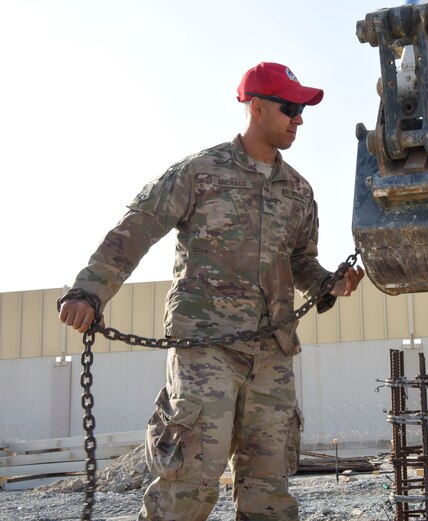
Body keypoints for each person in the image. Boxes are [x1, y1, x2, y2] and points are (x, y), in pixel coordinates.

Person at [58, 61, 365, 521]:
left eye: (302, 110)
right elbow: (136, 229)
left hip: (272, 353)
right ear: (256, 107)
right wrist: (89, 291)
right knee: (189, 484)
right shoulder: (199, 172)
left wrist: (330, 284)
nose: (299, 119)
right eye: (290, 108)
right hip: (207, 348)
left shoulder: (299, 191)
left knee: (270, 492)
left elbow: (300, 261)